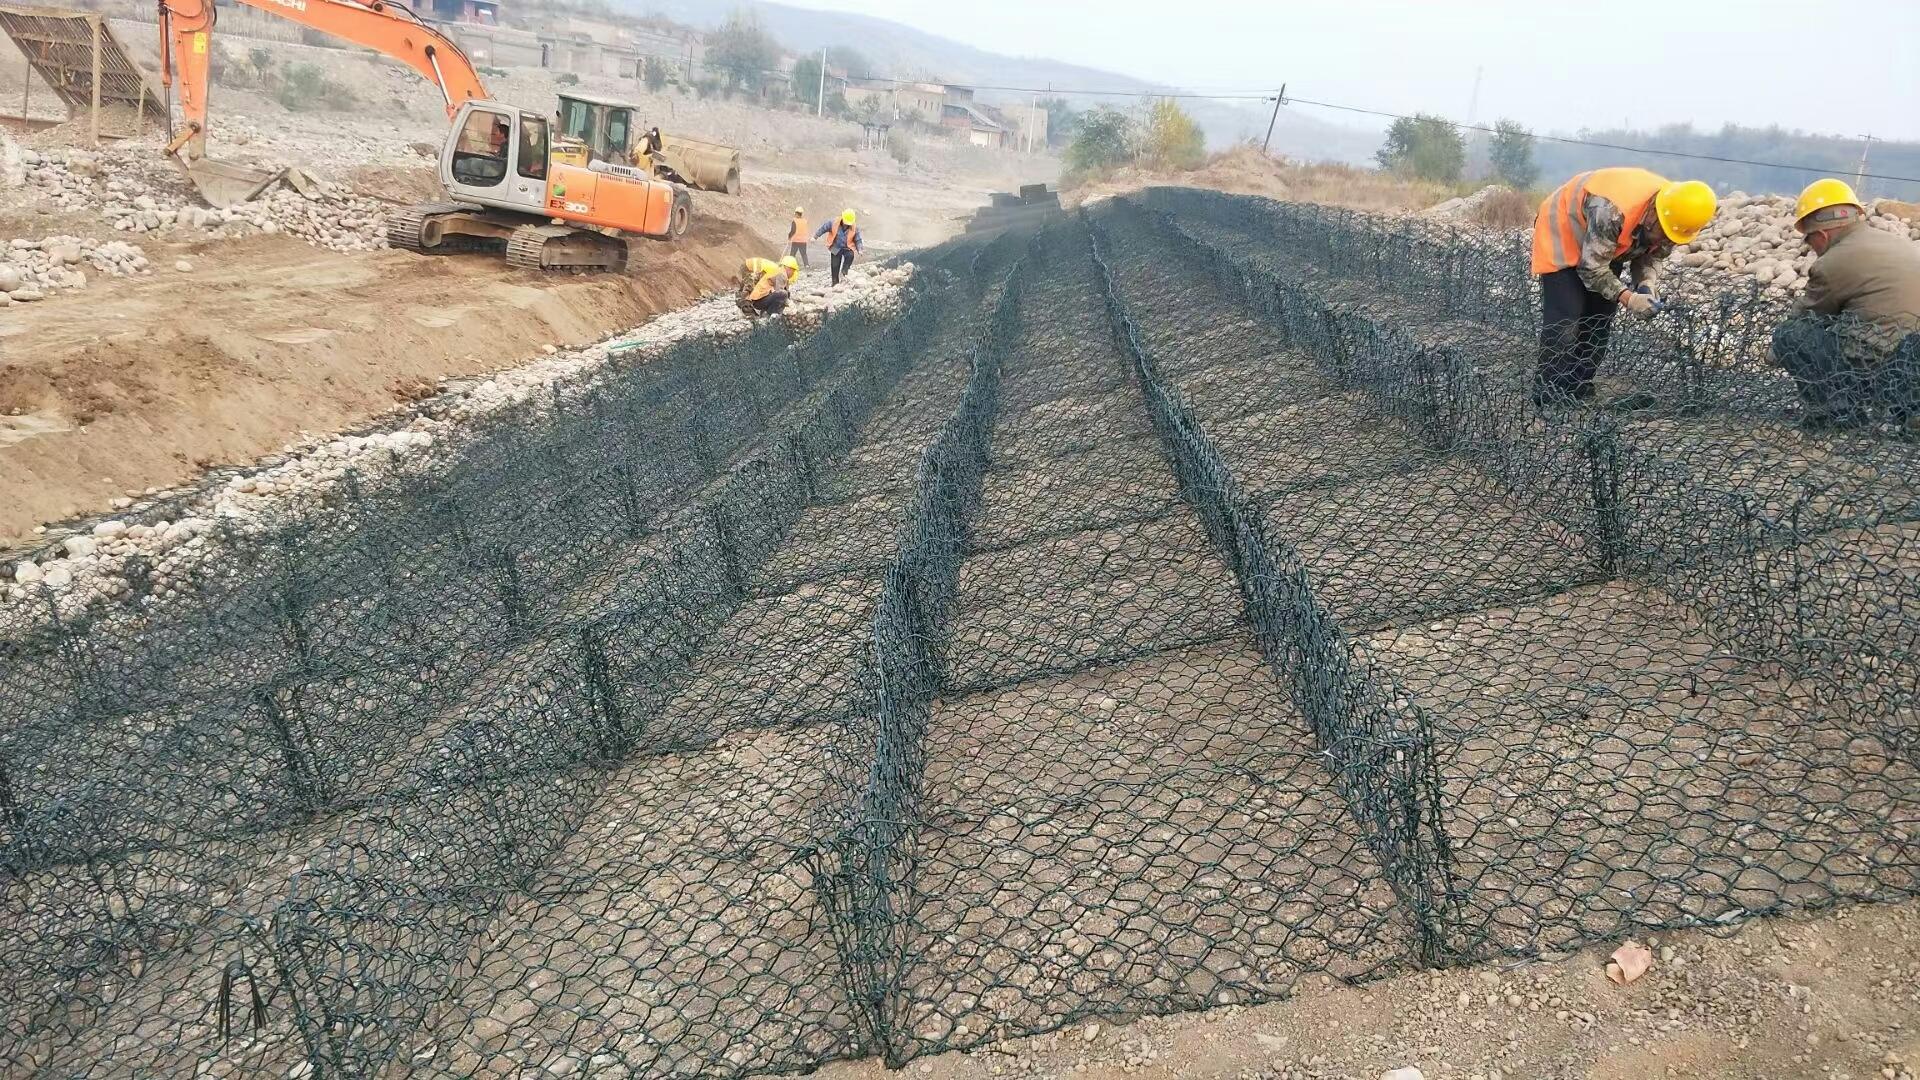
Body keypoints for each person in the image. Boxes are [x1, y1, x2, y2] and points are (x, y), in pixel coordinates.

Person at [1530, 168, 1718, 405]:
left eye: (1669, 239)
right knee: (1566, 319)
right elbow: (1592, 269)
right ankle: (1549, 393)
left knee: (1599, 318)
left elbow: (1651, 255)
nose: (1664, 241)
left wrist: (1646, 285)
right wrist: (1628, 298)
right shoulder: (1610, 210)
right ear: (1653, 213)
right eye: (1661, 233)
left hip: (1606, 243)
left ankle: (1577, 386)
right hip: (1564, 229)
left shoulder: (1675, 219)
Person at [1770, 178, 1920, 432]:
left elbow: (1808, 318)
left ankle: (1838, 414)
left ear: (1822, 235)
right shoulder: (1896, 243)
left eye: (1808, 239)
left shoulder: (1832, 263)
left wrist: (1775, 351)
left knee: (1789, 336)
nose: (1810, 247)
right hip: (1912, 365)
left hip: (1876, 369)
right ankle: (1910, 414)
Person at [813, 209, 863, 286]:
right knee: (835, 265)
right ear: (842, 218)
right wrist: (815, 236)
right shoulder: (833, 223)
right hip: (835, 247)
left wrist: (860, 250)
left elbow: (858, 239)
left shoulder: (854, 227)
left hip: (847, 247)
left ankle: (844, 272)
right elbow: (823, 228)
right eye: (846, 223)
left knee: (850, 255)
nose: (847, 225)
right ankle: (835, 284)